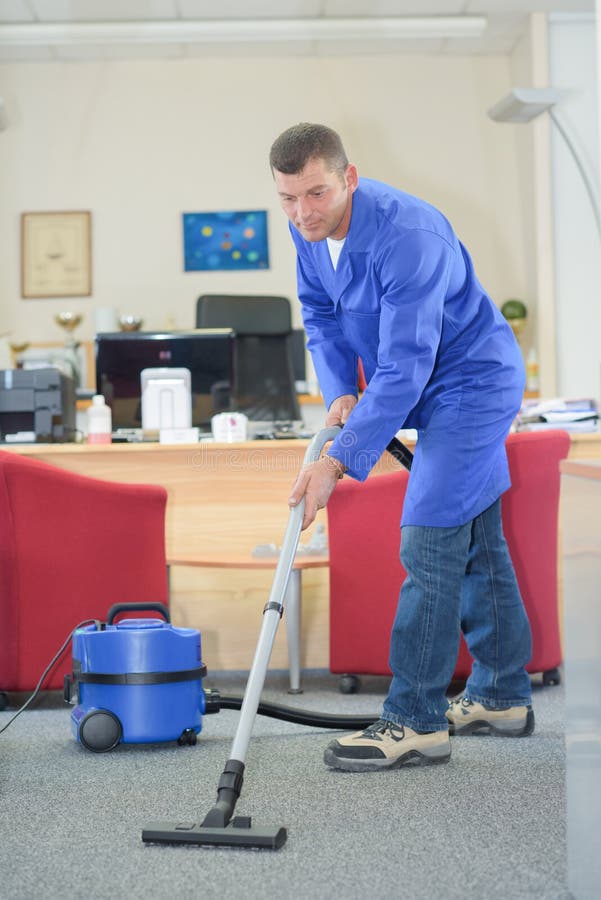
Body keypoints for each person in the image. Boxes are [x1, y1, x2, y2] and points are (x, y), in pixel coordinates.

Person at [269, 122, 534, 773]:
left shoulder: (407, 235)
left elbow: (406, 361)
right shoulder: (308, 229)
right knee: (477, 539)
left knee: (428, 541)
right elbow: (320, 314)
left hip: (468, 384)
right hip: (421, 386)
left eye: (316, 193)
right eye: (288, 198)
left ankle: (414, 718)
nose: (303, 211)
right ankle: (500, 693)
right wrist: (337, 393)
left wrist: (338, 459)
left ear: (348, 177)